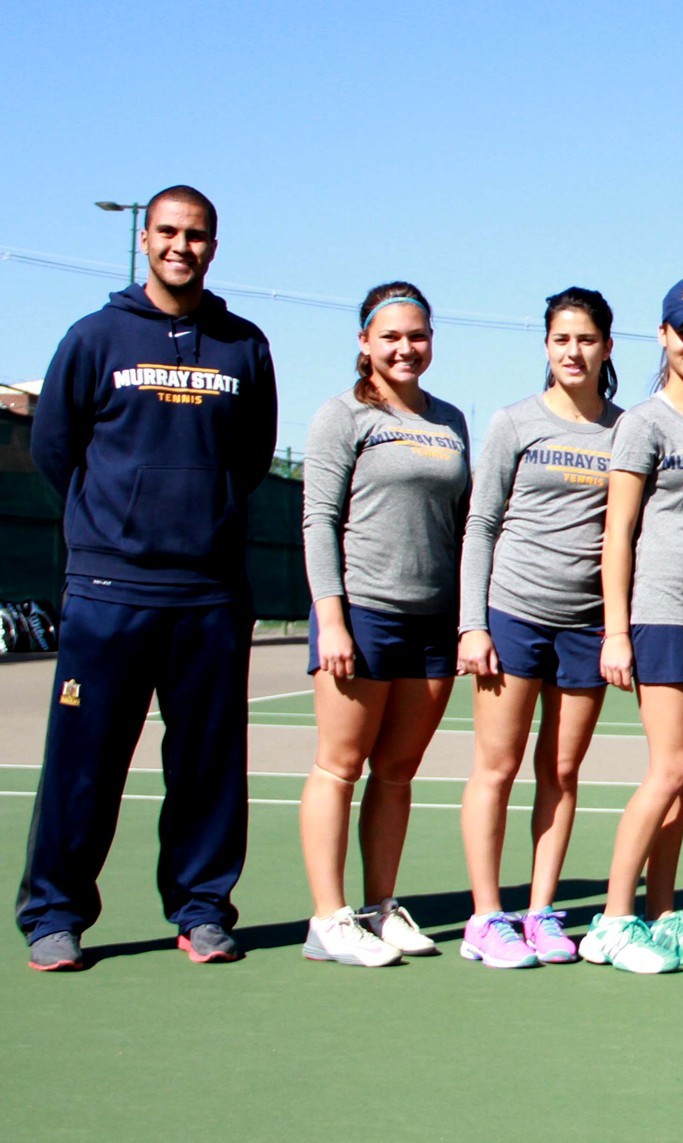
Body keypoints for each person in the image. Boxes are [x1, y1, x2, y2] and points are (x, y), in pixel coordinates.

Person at [18, 186, 278, 971]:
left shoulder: (244, 346)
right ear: (145, 239)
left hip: (208, 596)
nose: (182, 246)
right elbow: (54, 450)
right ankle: (55, 914)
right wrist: (112, 533)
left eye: (197, 235)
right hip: (107, 595)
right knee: (83, 761)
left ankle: (202, 910)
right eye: (168, 231)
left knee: (206, 767)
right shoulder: (95, 337)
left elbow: (252, 456)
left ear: (213, 246)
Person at [299, 282, 470, 967]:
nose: (406, 347)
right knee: (339, 767)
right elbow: (318, 520)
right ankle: (327, 918)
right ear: (365, 342)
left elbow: (464, 523)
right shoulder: (341, 416)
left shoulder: (451, 419)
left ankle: (378, 906)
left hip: (432, 621)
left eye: (418, 335)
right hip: (362, 614)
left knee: (396, 772)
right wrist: (332, 618)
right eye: (391, 335)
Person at [578, 279, 683, 974]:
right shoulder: (642, 423)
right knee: (668, 766)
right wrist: (616, 631)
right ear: (664, 337)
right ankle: (613, 921)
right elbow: (617, 534)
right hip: (660, 611)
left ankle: (664, 913)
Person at [455, 287, 622, 969]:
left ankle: (541, 911)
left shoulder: (624, 430)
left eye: (585, 339)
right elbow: (480, 522)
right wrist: (472, 624)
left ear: (607, 347)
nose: (573, 351)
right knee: (497, 767)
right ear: (547, 346)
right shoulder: (514, 422)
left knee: (560, 769)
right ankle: (486, 915)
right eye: (561, 339)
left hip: (586, 624)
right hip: (513, 614)